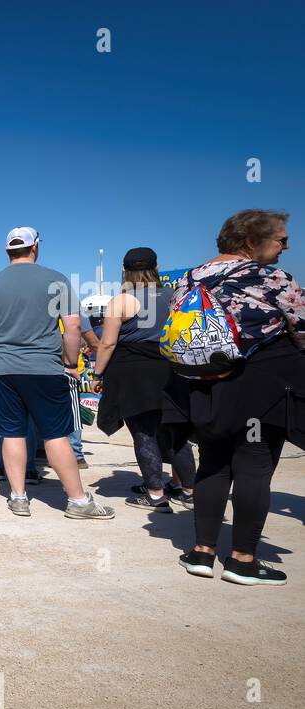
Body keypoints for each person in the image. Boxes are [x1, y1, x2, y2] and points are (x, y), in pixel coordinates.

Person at [162, 209, 305, 584]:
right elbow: (302, 327)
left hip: (207, 383)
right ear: (251, 241)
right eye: (280, 239)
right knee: (254, 465)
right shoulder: (271, 277)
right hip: (261, 385)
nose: (286, 246)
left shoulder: (190, 279)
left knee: (213, 462)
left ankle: (202, 553)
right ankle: (242, 559)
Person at [0, 227, 114, 518]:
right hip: (45, 369)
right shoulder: (56, 280)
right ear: (35, 247)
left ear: (6, 250)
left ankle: (18, 496)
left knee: (11, 432)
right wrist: (71, 362)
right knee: (55, 434)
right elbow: (73, 326)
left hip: (3, 370)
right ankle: (77, 501)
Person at [95, 247, 195, 513]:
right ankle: (189, 490)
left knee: (144, 433)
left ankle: (155, 494)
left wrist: (97, 373)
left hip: (132, 373)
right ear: (155, 267)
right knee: (177, 433)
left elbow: (107, 343)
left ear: (125, 271)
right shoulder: (175, 297)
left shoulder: (122, 301)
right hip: (171, 368)